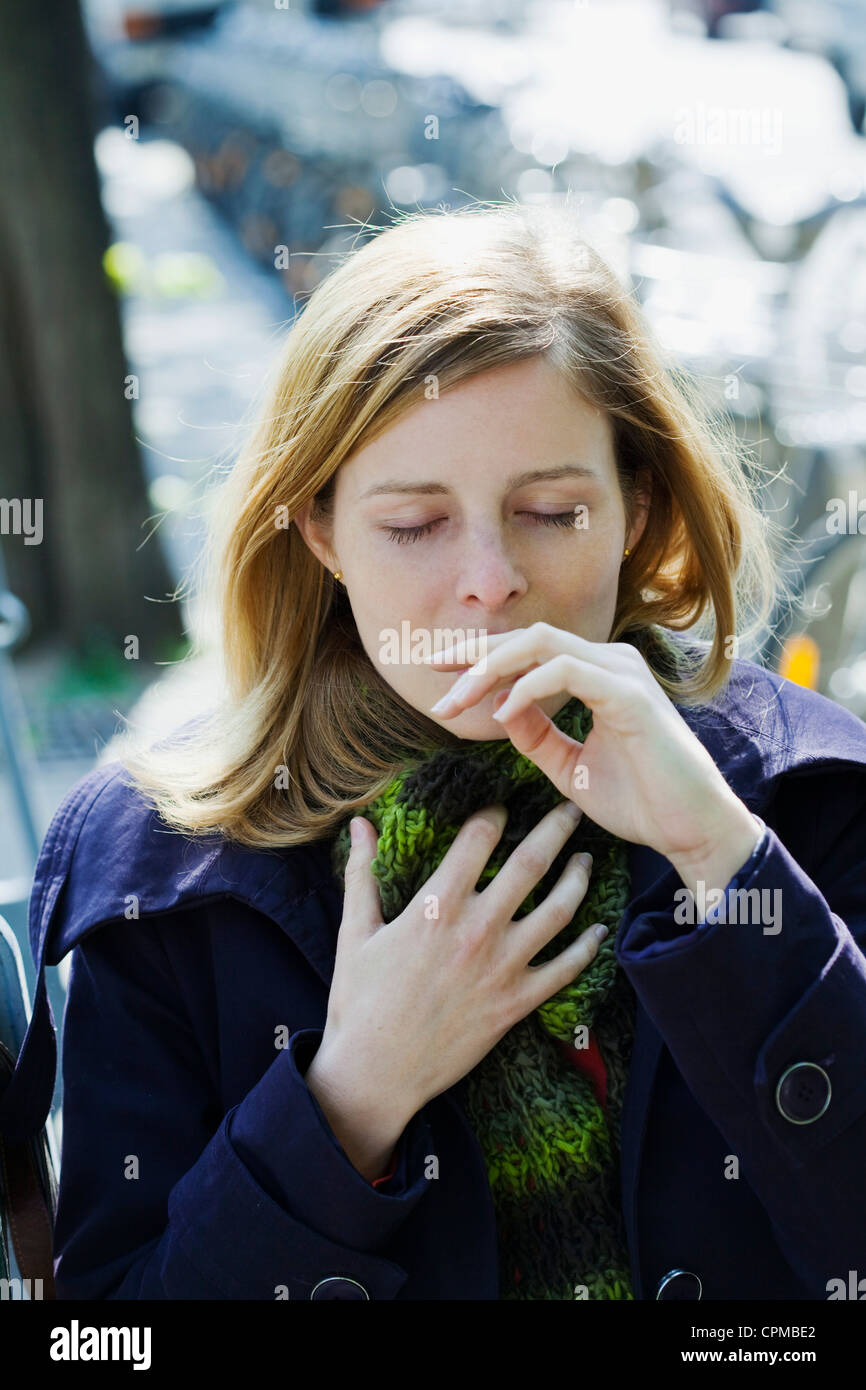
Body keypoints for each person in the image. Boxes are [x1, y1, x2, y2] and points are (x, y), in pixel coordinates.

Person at [44, 201, 866, 1300]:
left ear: (634, 506)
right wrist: (345, 1101)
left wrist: (726, 861)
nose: (488, 578)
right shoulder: (165, 870)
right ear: (321, 529)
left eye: (547, 510)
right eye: (414, 525)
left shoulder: (803, 791)